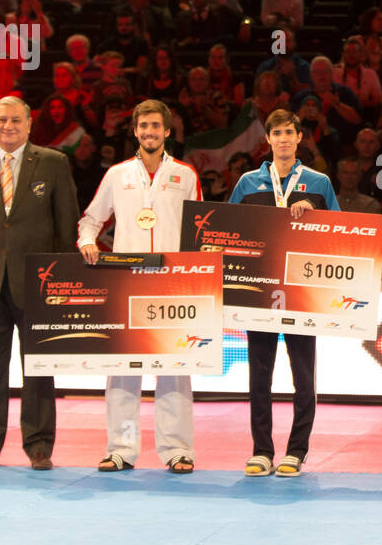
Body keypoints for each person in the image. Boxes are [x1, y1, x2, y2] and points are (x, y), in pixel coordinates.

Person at [0, 96, 79, 471]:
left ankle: (39, 446)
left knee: (39, 367)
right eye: (1, 120)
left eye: (15, 121)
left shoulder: (53, 163)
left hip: (39, 281)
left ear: (29, 124)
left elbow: (66, 226)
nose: (7, 126)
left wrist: (63, 283)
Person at [78, 100, 203, 474]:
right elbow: (91, 218)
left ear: (167, 131)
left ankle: (178, 450)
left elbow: (198, 228)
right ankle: (121, 449)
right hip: (126, 283)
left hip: (172, 284)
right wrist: (87, 242)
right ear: (134, 131)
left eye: (156, 126)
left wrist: (198, 273)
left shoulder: (185, 175)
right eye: (143, 126)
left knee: (175, 369)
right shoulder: (117, 175)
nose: (149, 132)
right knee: (123, 370)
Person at [228, 108, 339, 477]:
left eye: (290, 132)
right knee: (260, 376)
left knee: (303, 375)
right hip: (258, 291)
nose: (284, 139)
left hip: (301, 290)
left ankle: (297, 451)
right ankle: (261, 450)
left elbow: (339, 234)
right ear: (269, 139)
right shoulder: (247, 183)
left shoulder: (319, 183)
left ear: (300, 137)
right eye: (277, 133)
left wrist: (317, 214)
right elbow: (228, 233)